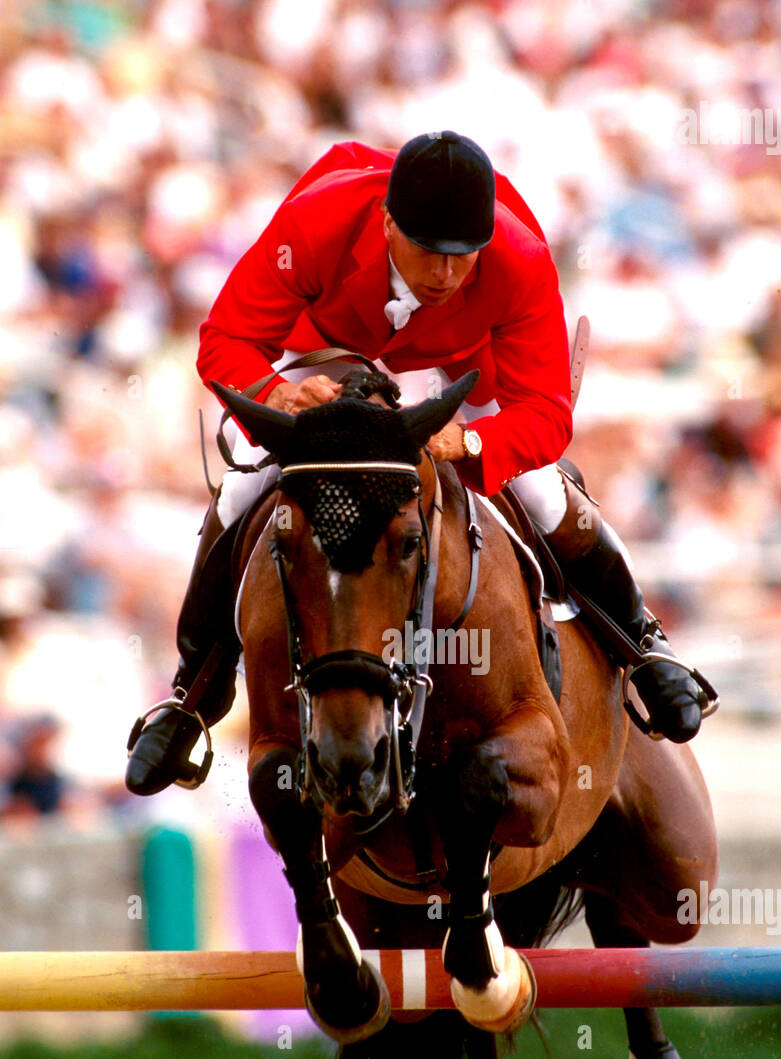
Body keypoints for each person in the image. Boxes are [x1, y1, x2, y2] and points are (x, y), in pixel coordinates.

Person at [126, 131, 710, 795]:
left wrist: (472, 443)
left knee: (544, 492)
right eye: (429, 252)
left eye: (463, 257)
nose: (444, 273)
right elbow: (226, 340)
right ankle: (191, 697)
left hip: (460, 367)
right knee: (242, 489)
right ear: (386, 222)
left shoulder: (516, 257)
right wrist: (276, 392)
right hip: (332, 355)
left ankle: (641, 642)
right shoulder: (319, 222)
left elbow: (547, 415)